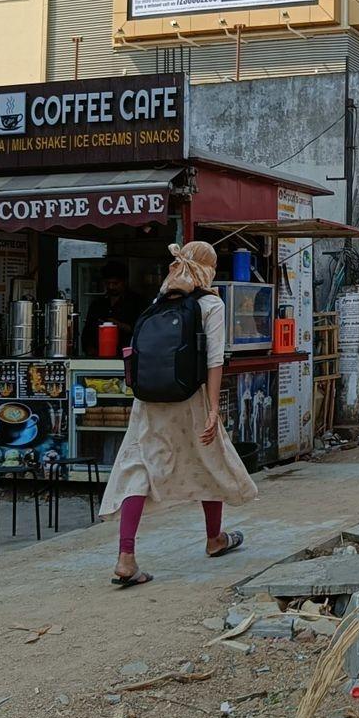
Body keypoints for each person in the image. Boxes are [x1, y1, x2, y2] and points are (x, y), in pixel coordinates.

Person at [100, 241, 257, 588]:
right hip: (190, 397)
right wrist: (214, 408)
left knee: (139, 465)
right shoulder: (210, 304)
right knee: (208, 458)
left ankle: (126, 556)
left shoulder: (160, 301)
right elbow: (215, 360)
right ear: (208, 270)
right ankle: (214, 538)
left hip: (149, 401)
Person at [83, 260, 144, 357]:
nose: (111, 287)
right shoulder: (97, 304)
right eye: (108, 283)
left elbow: (142, 330)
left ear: (125, 282)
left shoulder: (137, 302)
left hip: (127, 356)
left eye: (115, 283)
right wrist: (89, 349)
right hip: (99, 357)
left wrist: (119, 325)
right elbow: (87, 331)